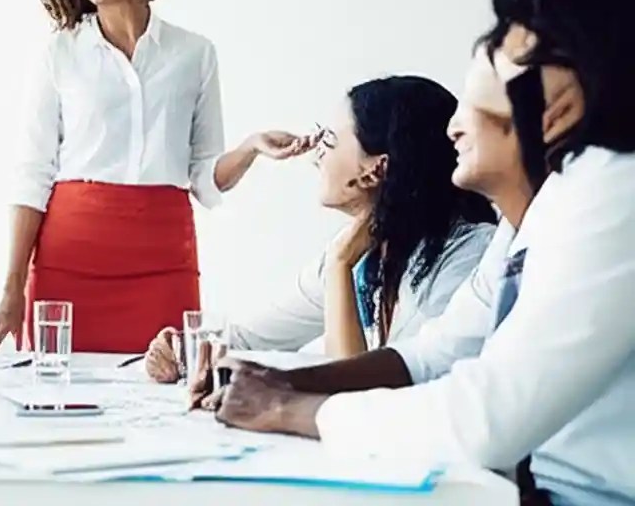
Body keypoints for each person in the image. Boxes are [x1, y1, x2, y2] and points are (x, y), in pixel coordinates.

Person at [204, 0, 635, 506]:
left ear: (560, 106)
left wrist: (290, 409)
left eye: (480, 103)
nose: (453, 126)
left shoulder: (614, 189)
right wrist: (282, 383)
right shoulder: (537, 215)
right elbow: (433, 355)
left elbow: (486, 415)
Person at [0, 0, 314, 354]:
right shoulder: (59, 54)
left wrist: (251, 146)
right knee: (61, 404)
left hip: (163, 256)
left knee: (170, 394)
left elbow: (204, 178)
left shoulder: (195, 54)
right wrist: (12, 288)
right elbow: (32, 174)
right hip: (71, 257)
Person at [143, 76, 497, 379]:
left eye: (330, 140)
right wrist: (179, 349)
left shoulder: (469, 258)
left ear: (375, 169)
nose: (316, 156)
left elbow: (360, 392)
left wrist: (341, 265)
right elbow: (246, 340)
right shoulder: (363, 253)